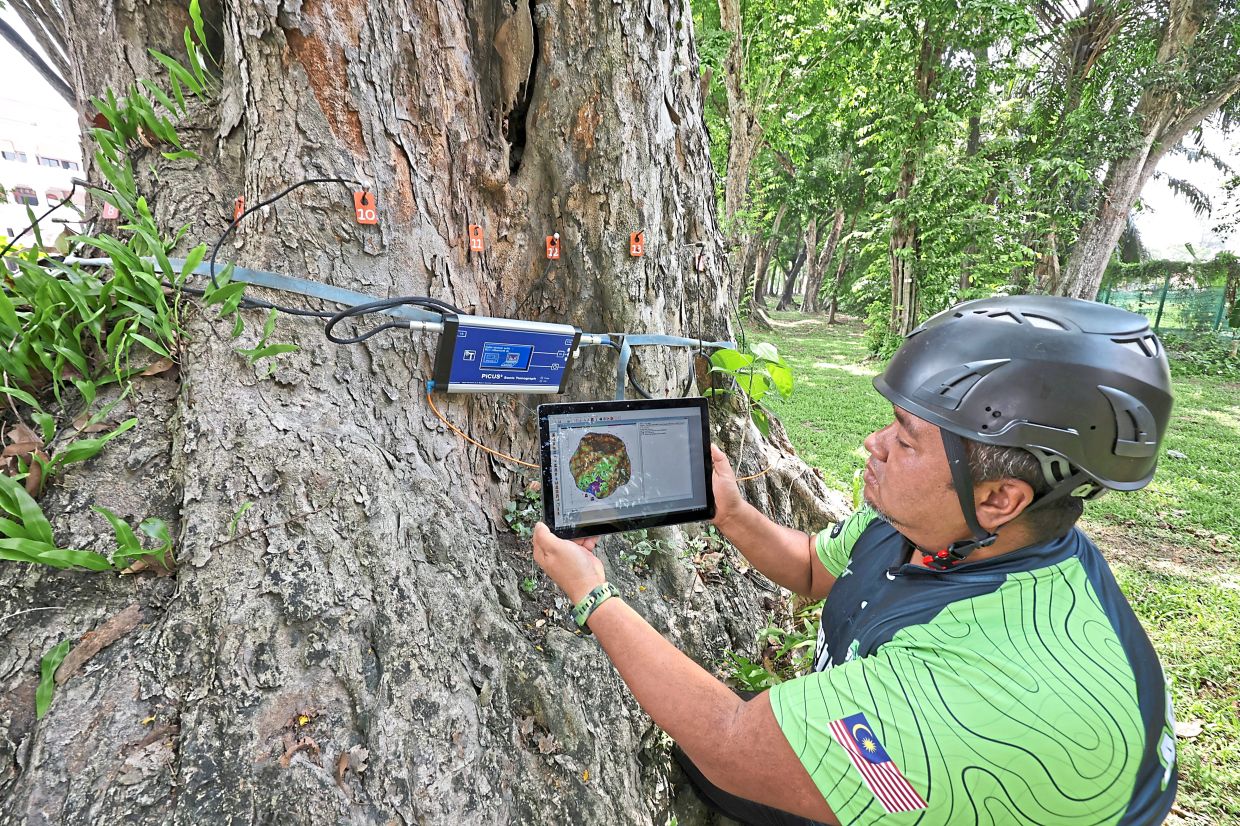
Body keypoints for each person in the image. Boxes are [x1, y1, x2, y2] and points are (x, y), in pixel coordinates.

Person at [532, 295, 1178, 825]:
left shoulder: (992, 687)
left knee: (717, 770)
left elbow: (731, 744)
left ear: (999, 497)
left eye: (905, 436)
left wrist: (593, 594)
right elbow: (814, 569)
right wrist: (730, 512)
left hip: (953, 755)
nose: (874, 443)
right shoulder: (933, 523)